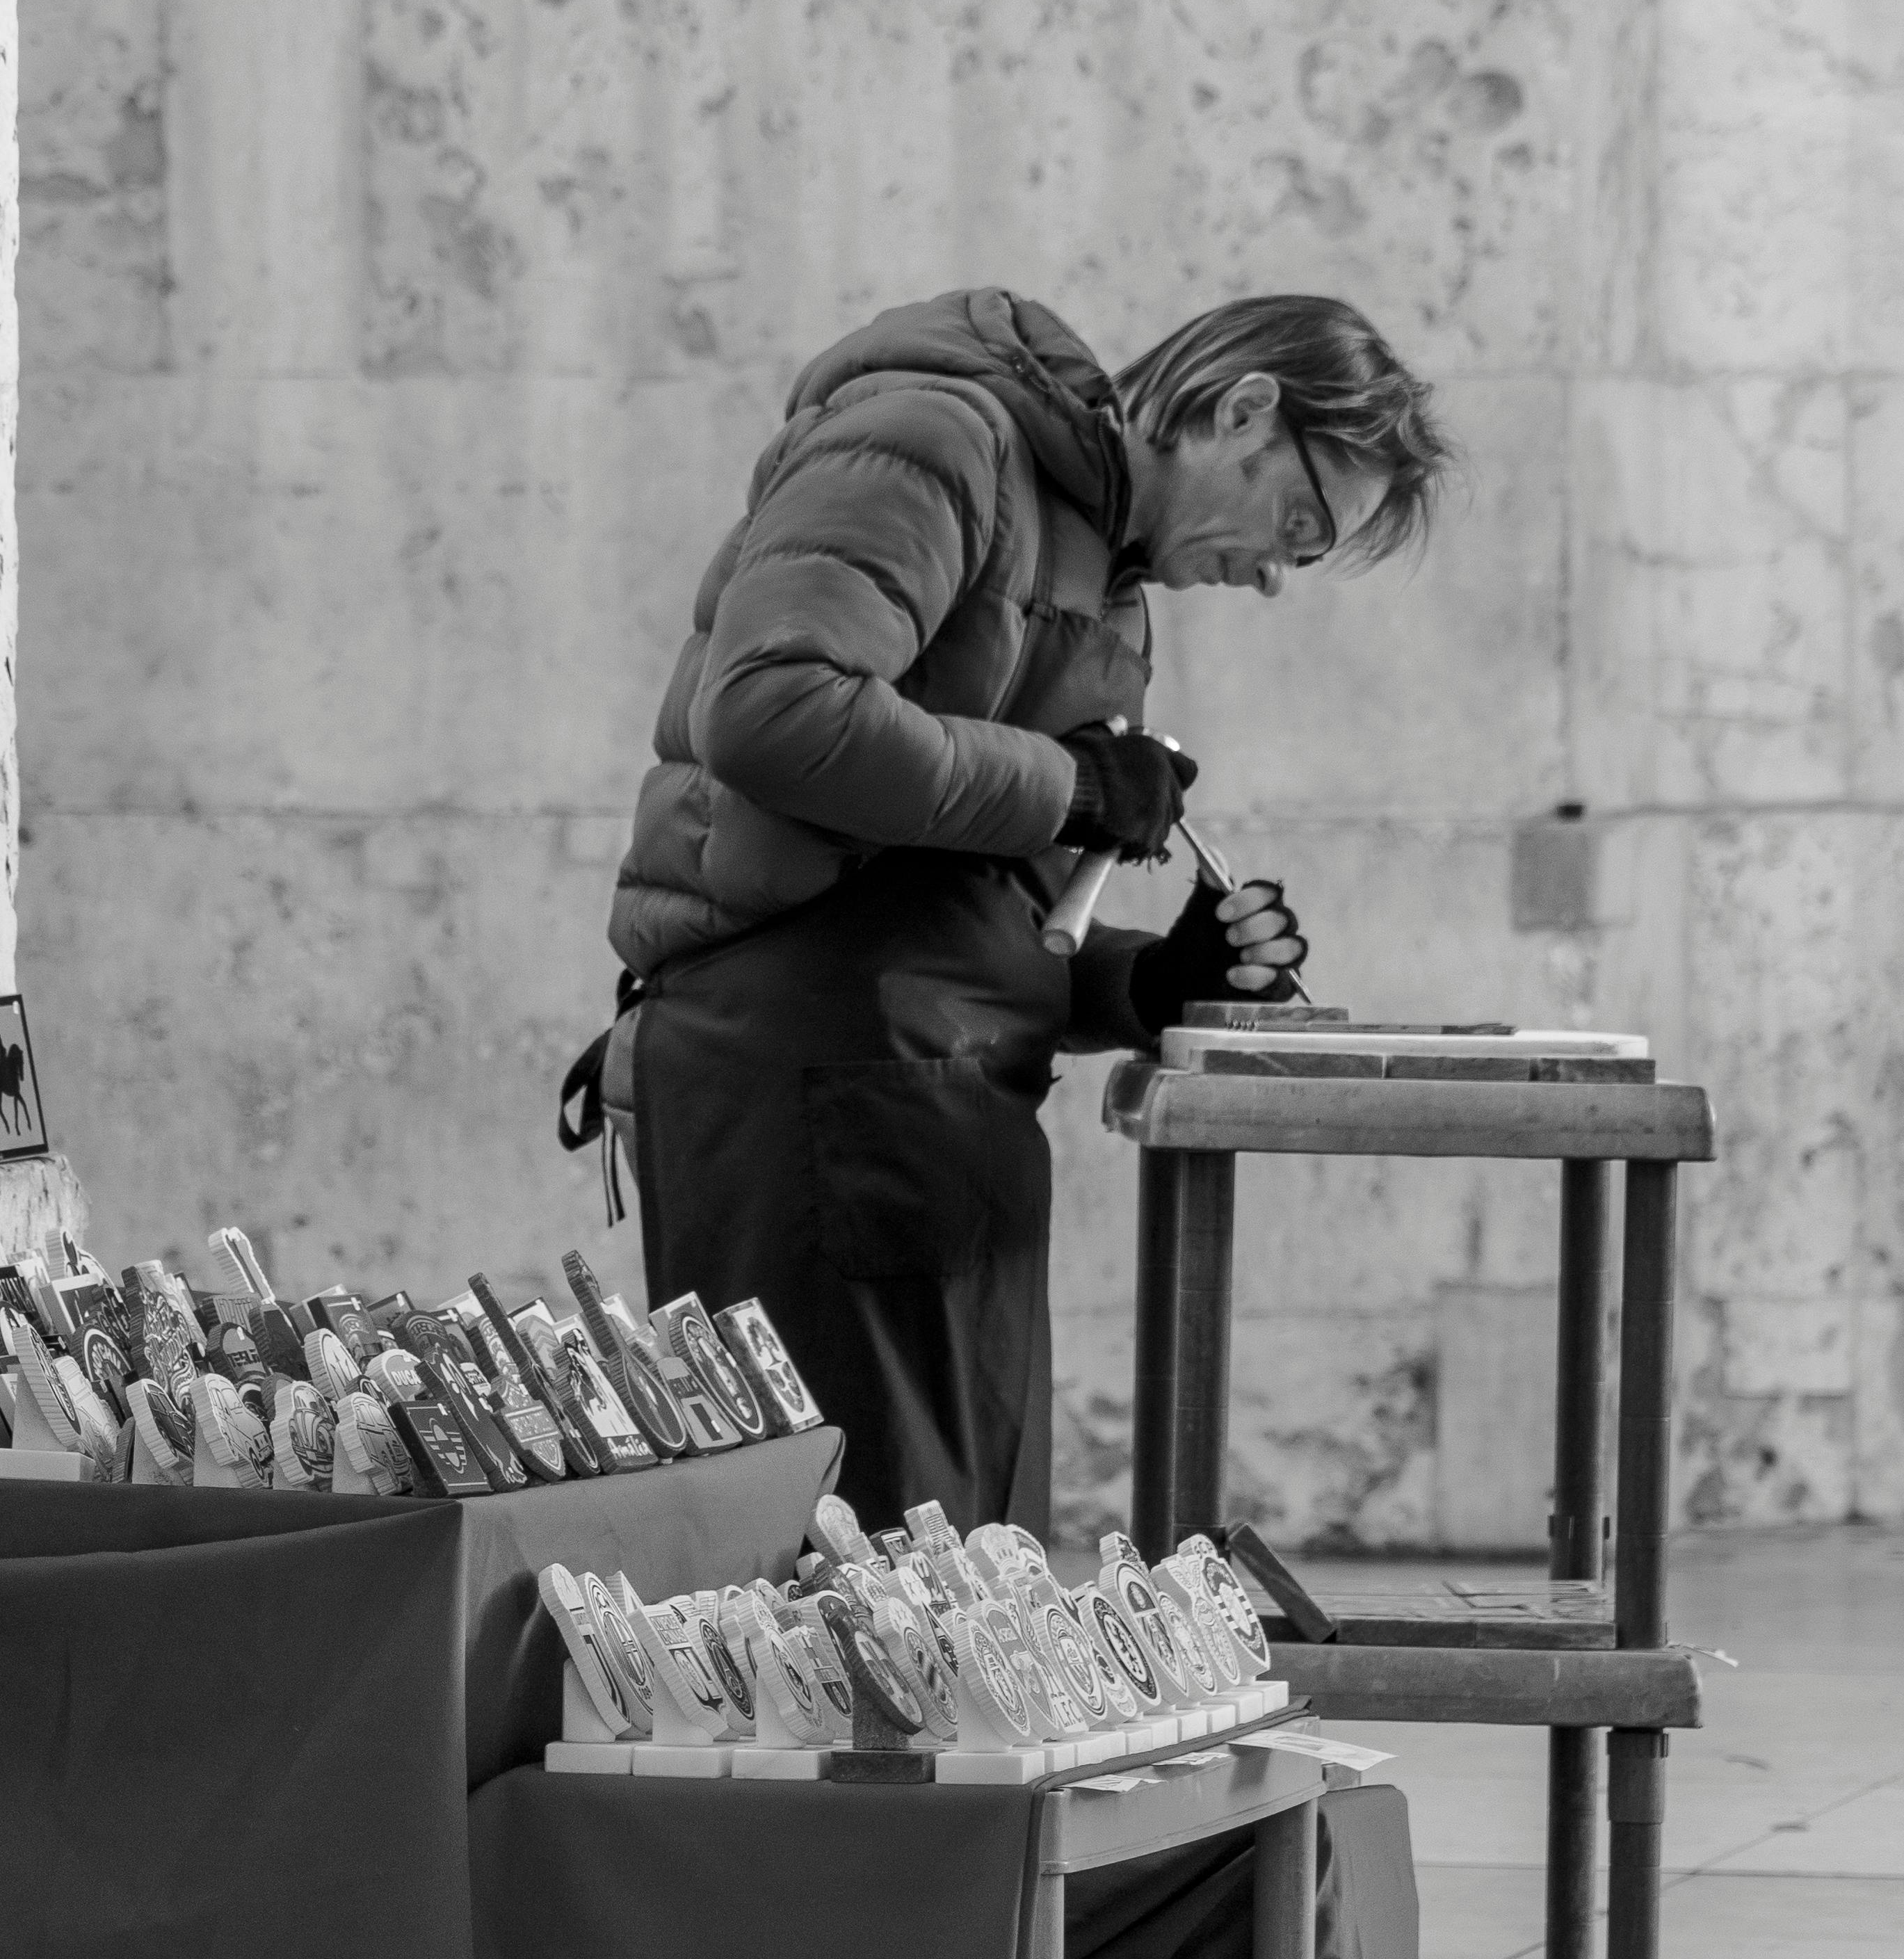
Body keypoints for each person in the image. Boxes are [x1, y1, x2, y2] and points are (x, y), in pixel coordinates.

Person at [592, 288, 1451, 1535]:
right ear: (1245, 408)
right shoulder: (942, 440)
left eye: (1306, 559)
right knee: (834, 1585)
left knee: (959, 1579)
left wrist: (1149, 981)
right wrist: (1075, 783)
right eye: (1298, 520)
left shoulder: (1102, 576)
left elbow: (976, 906)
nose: (1275, 575)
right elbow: (774, 710)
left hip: (933, 1107)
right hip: (806, 1080)